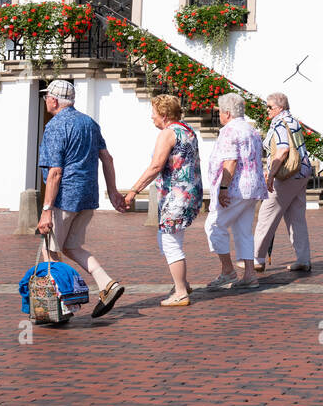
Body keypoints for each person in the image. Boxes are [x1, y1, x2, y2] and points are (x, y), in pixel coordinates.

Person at [36, 79, 127, 321]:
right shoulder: (89, 122)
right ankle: (107, 284)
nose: (45, 100)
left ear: (54, 100)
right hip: (87, 195)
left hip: (64, 197)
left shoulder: (55, 126)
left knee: (51, 251)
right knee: (72, 246)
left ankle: (59, 307)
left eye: (47, 97)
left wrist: (46, 209)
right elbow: (107, 158)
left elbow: (55, 172)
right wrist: (113, 192)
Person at [124, 94, 203, 307]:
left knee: (170, 241)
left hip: (176, 196)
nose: (152, 117)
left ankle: (180, 292)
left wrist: (134, 190)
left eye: (154, 113)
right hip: (188, 192)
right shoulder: (187, 130)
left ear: (164, 115)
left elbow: (156, 166)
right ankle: (183, 283)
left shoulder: (168, 133)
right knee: (165, 238)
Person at [203, 92, 265, 290]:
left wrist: (223, 187)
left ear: (227, 113)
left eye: (220, 111)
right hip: (252, 187)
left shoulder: (229, 130)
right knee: (243, 230)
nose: (219, 115)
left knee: (214, 225)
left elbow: (230, 161)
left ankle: (227, 270)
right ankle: (249, 274)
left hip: (237, 188)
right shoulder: (251, 129)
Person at [253, 92, 313, 274]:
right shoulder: (292, 120)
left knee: (266, 214)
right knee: (296, 217)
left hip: (287, 176)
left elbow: (283, 150)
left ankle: (256, 258)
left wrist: (271, 174)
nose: (267, 110)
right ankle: (303, 259)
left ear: (279, 107)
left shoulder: (280, 123)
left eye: (269, 107)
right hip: (301, 173)